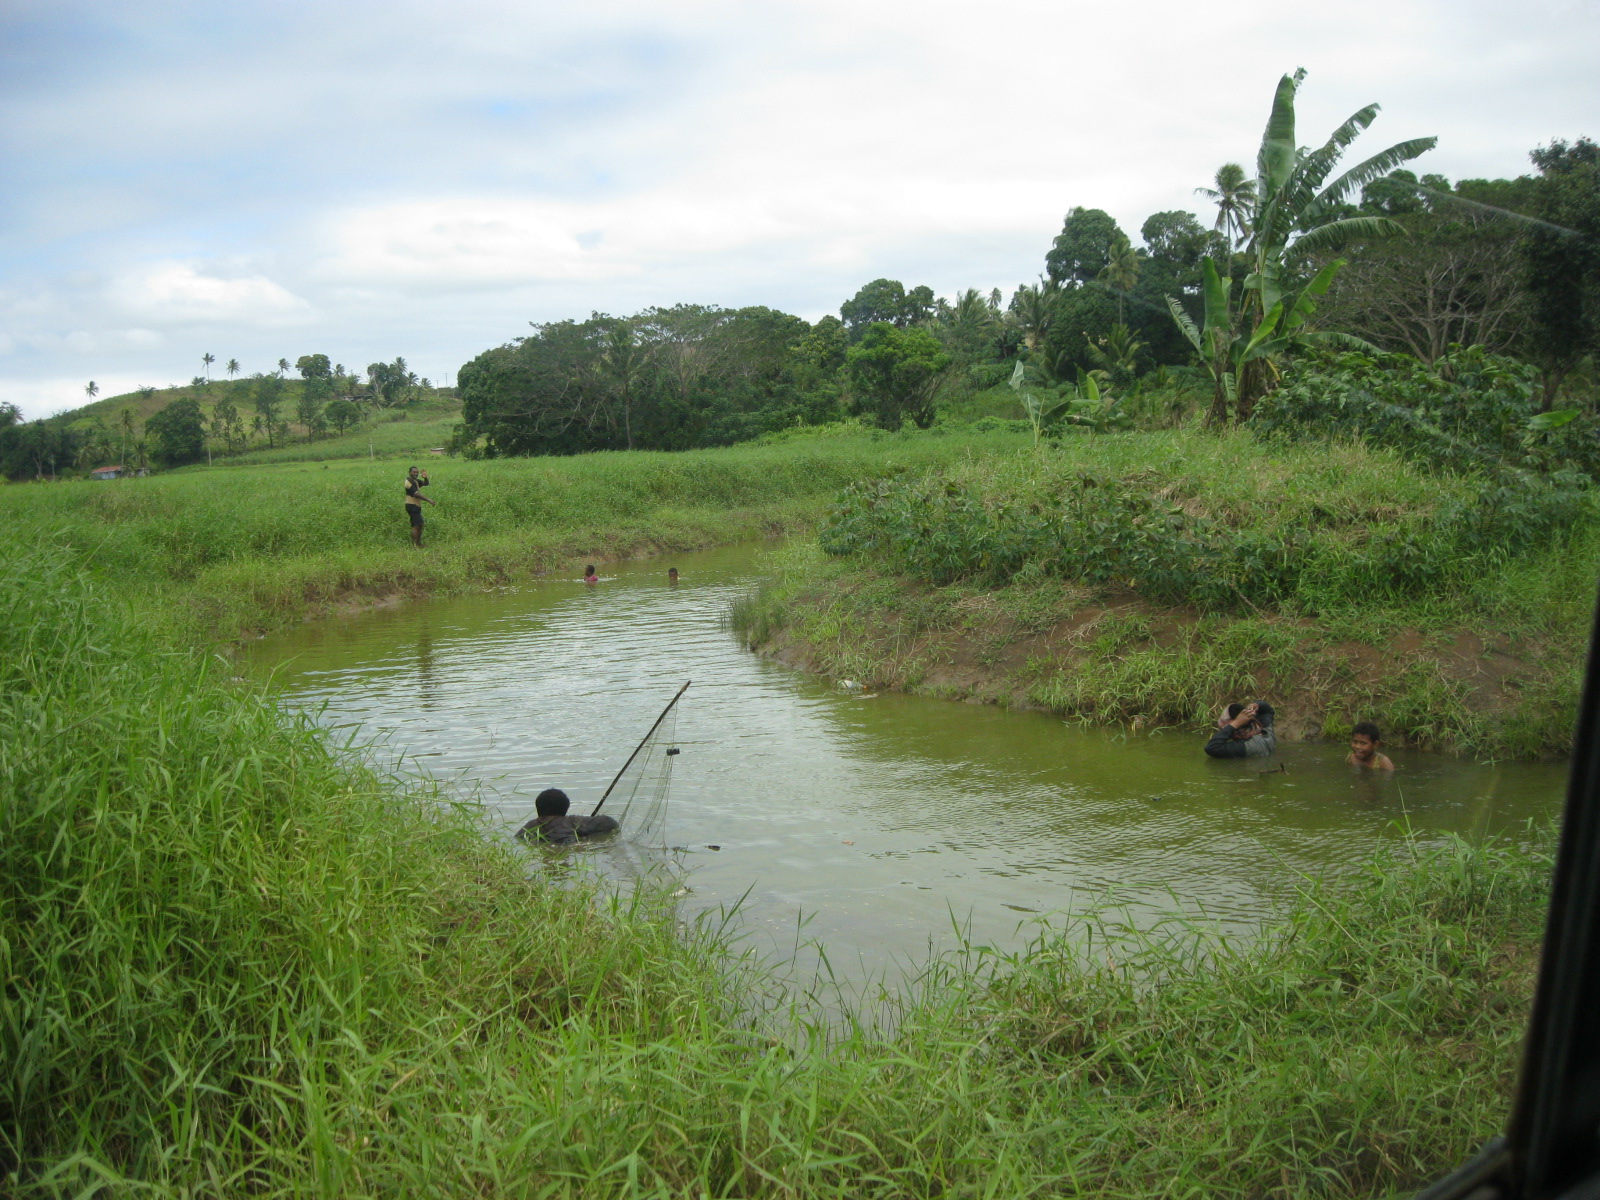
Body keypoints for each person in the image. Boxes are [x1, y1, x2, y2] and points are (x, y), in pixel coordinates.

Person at [515, 788, 620, 846]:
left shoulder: (530, 826)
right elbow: (609, 823)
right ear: (565, 808)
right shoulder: (572, 821)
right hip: (571, 846)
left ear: (538, 809)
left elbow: (518, 840)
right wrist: (587, 836)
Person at [1204, 700, 1278, 758]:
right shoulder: (1266, 731)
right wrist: (1256, 704)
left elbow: (1211, 748)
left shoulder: (1245, 747)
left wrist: (1236, 723)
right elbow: (1268, 710)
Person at [403, 466, 434, 547]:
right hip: (411, 505)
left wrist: (425, 477)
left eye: (417, 472)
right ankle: (416, 545)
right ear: (409, 472)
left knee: (419, 524)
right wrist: (428, 500)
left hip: (415, 505)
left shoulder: (415, 481)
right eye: (414, 472)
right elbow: (416, 494)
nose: (416, 474)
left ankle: (418, 543)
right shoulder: (408, 482)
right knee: (417, 525)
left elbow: (426, 483)